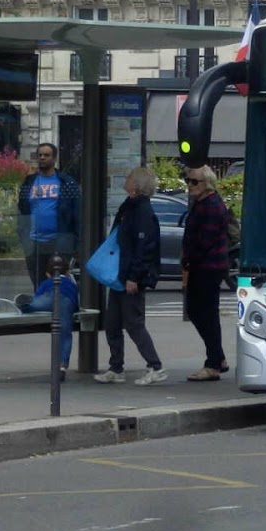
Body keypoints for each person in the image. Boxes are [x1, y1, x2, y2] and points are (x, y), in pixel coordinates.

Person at [94, 167, 166, 385]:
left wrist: (134, 277)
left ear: (136, 186)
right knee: (112, 323)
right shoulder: (131, 206)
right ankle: (116, 368)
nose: (125, 181)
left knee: (134, 323)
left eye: (129, 178)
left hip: (130, 276)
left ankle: (155, 366)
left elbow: (144, 248)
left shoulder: (142, 211)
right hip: (120, 275)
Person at [180, 165, 235, 380]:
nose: (190, 185)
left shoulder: (211, 205)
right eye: (188, 181)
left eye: (195, 181)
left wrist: (188, 260)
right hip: (205, 265)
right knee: (201, 312)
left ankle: (214, 362)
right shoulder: (203, 203)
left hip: (207, 266)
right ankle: (217, 358)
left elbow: (204, 240)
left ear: (207, 183)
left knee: (204, 312)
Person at [17, 143, 80, 286]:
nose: (42, 158)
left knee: (58, 284)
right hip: (34, 242)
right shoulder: (29, 182)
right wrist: (23, 236)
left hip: (60, 241)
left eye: (46, 155)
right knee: (39, 285)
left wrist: (77, 244)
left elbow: (76, 214)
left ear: (54, 158)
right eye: (40, 155)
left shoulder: (66, 183)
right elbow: (22, 209)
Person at [16, 260, 79, 374]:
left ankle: (24, 305)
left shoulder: (47, 282)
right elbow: (76, 302)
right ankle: (62, 364)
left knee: (35, 304)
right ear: (68, 272)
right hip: (66, 301)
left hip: (49, 296)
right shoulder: (71, 284)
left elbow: (38, 296)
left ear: (47, 274)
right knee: (65, 334)